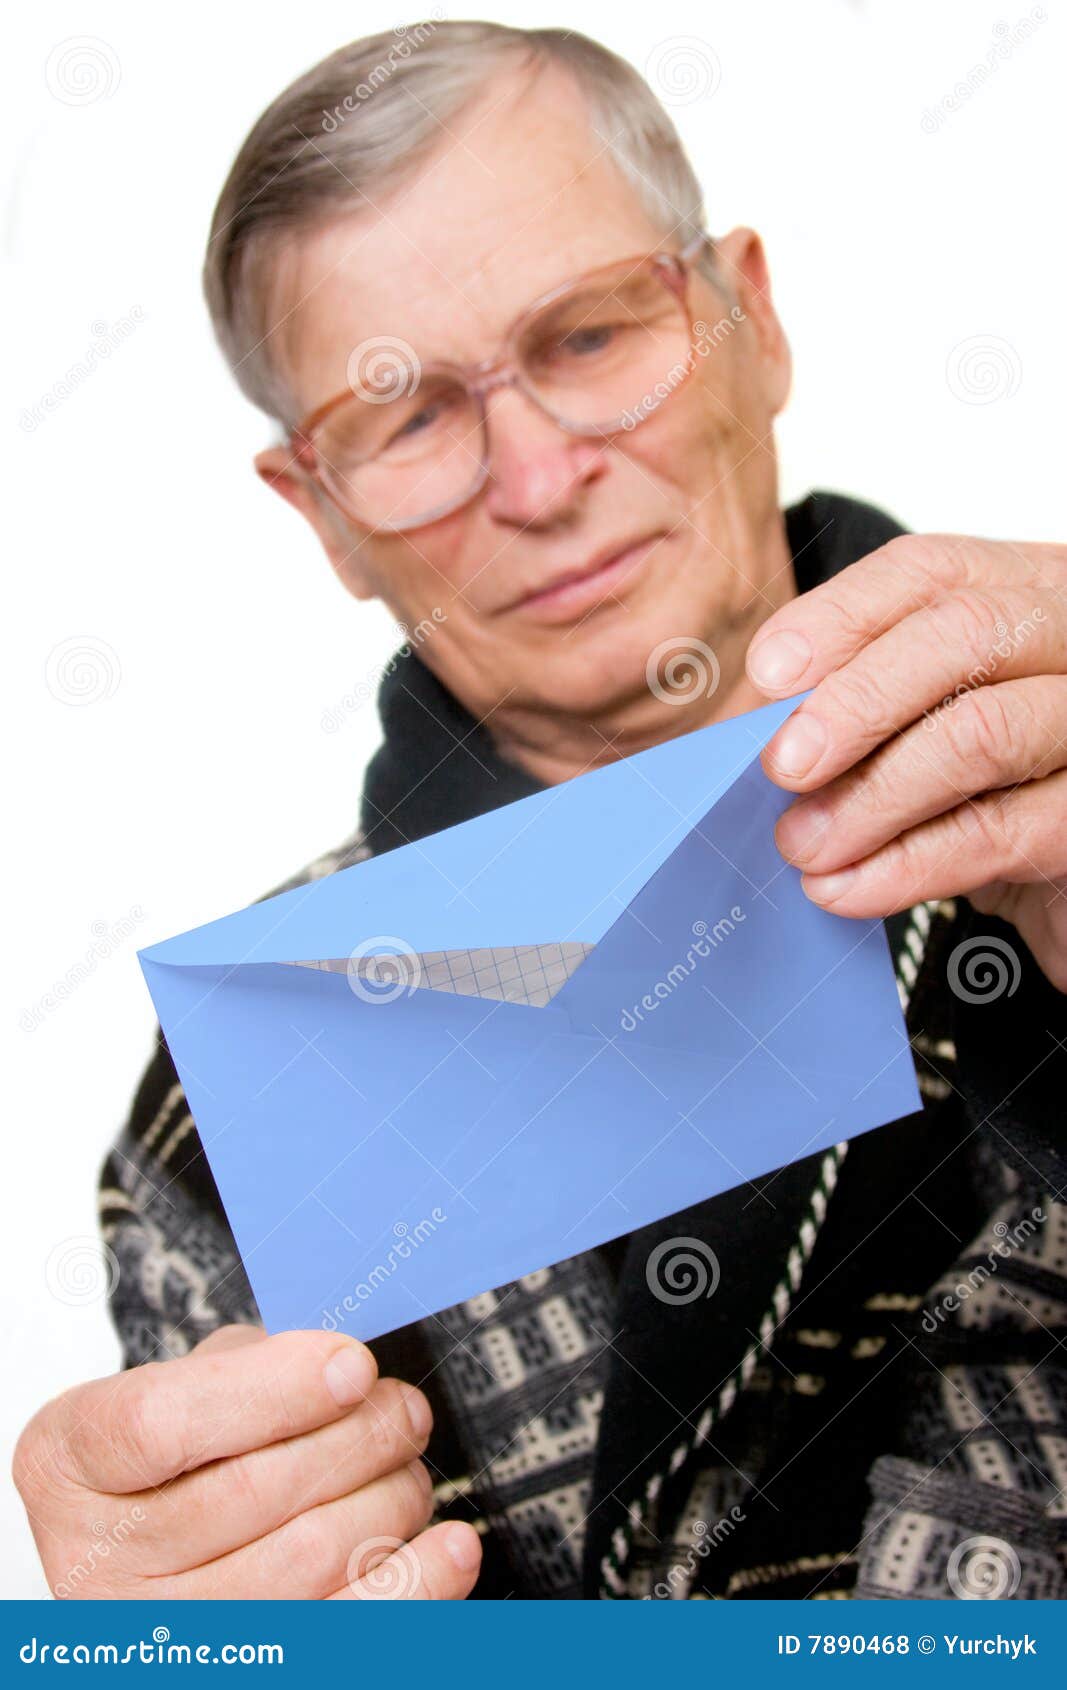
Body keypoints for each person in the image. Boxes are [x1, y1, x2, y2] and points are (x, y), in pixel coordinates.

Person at [15, 22, 1066, 1601]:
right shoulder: (224, 1119)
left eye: (586, 335)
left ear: (753, 318)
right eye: (412, 415)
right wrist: (173, 1646)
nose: (538, 475)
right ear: (323, 518)